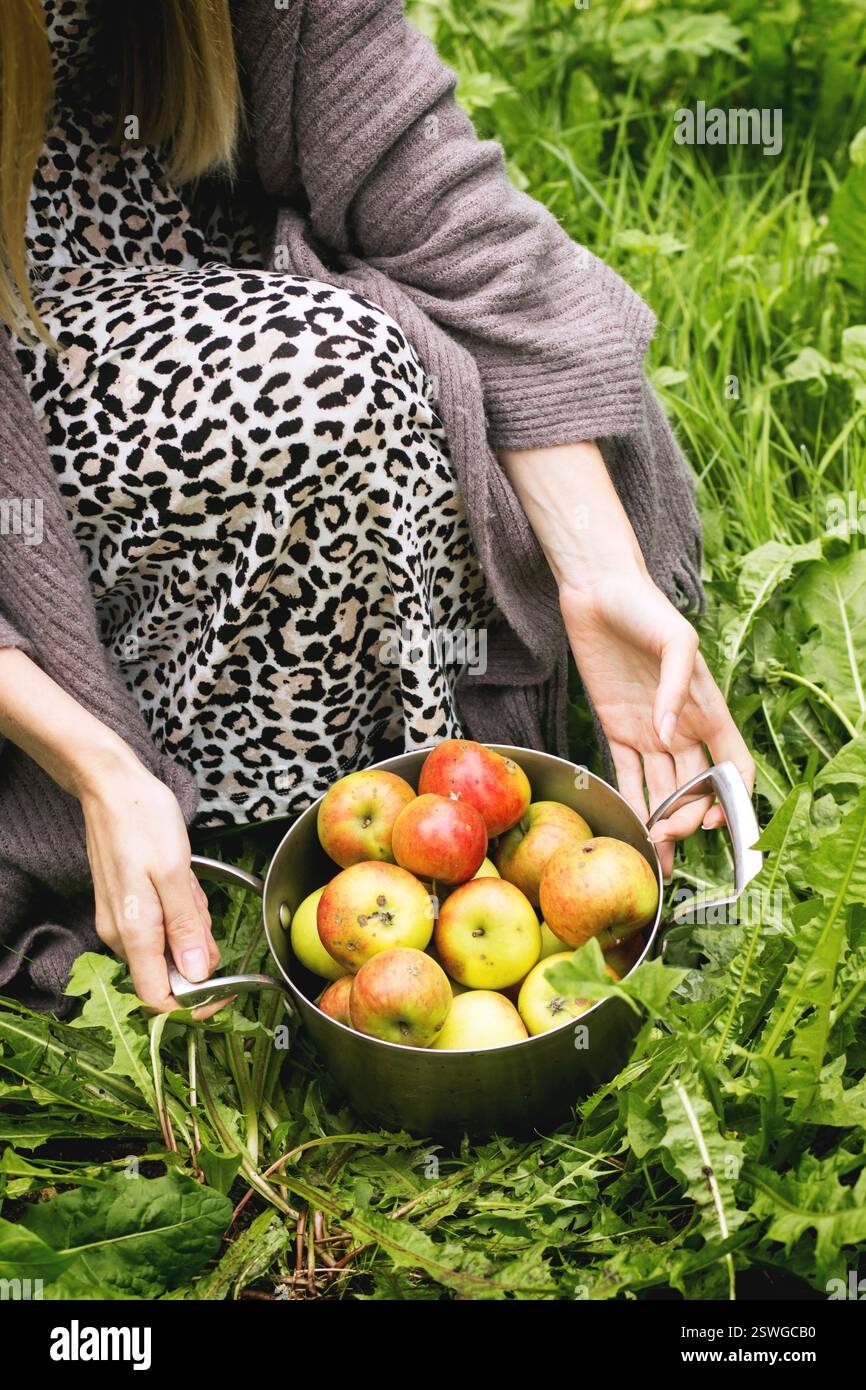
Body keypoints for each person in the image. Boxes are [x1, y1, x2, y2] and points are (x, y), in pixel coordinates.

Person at [0, 0, 754, 1012]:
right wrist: (89, 762)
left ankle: (341, 817)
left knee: (431, 376)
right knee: (328, 379)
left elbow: (442, 208)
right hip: (26, 375)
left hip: (188, 293)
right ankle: (162, 776)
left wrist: (600, 571)